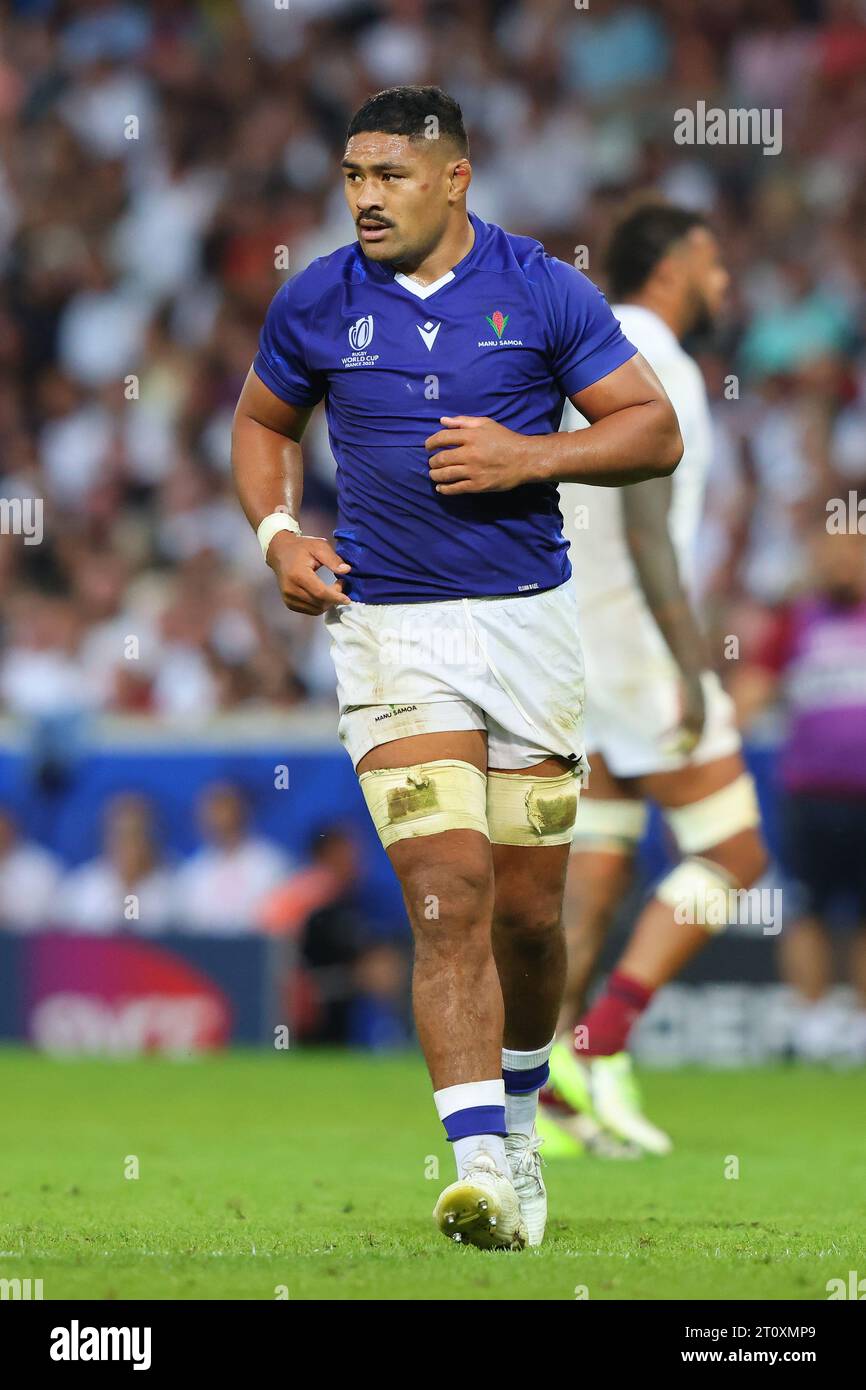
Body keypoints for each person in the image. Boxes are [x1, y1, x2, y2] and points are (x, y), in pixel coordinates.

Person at [232, 87, 682, 1249]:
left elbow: (651, 428)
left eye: (387, 175)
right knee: (449, 896)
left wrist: (530, 453)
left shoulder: (540, 288)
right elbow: (260, 424)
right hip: (390, 630)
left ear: (453, 178)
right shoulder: (317, 299)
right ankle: (476, 1162)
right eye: (351, 175)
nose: (365, 198)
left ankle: (521, 1121)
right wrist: (279, 538)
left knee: (530, 917)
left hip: (529, 627)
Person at [550, 203, 768, 1156]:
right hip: (638, 648)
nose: (724, 285)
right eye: (713, 265)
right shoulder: (659, 362)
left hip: (568, 647)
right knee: (737, 855)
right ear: (674, 267)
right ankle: (602, 1046)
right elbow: (646, 529)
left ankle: (546, 1099)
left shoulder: (582, 346)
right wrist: (691, 664)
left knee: (594, 877)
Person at [734, 526, 866, 1064]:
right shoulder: (797, 621)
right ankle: (810, 1023)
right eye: (830, 553)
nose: (839, 564)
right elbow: (753, 688)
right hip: (809, 795)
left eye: (851, 553)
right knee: (805, 907)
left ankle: (858, 1024)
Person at [173, 782, 290, 934]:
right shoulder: (192, 873)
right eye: (209, 810)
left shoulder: (272, 864)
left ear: (243, 811)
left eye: (222, 808)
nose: (215, 818)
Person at [58, 794, 174, 934]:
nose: (128, 844)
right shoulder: (81, 888)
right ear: (105, 836)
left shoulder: (175, 887)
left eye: (136, 834)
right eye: (120, 834)